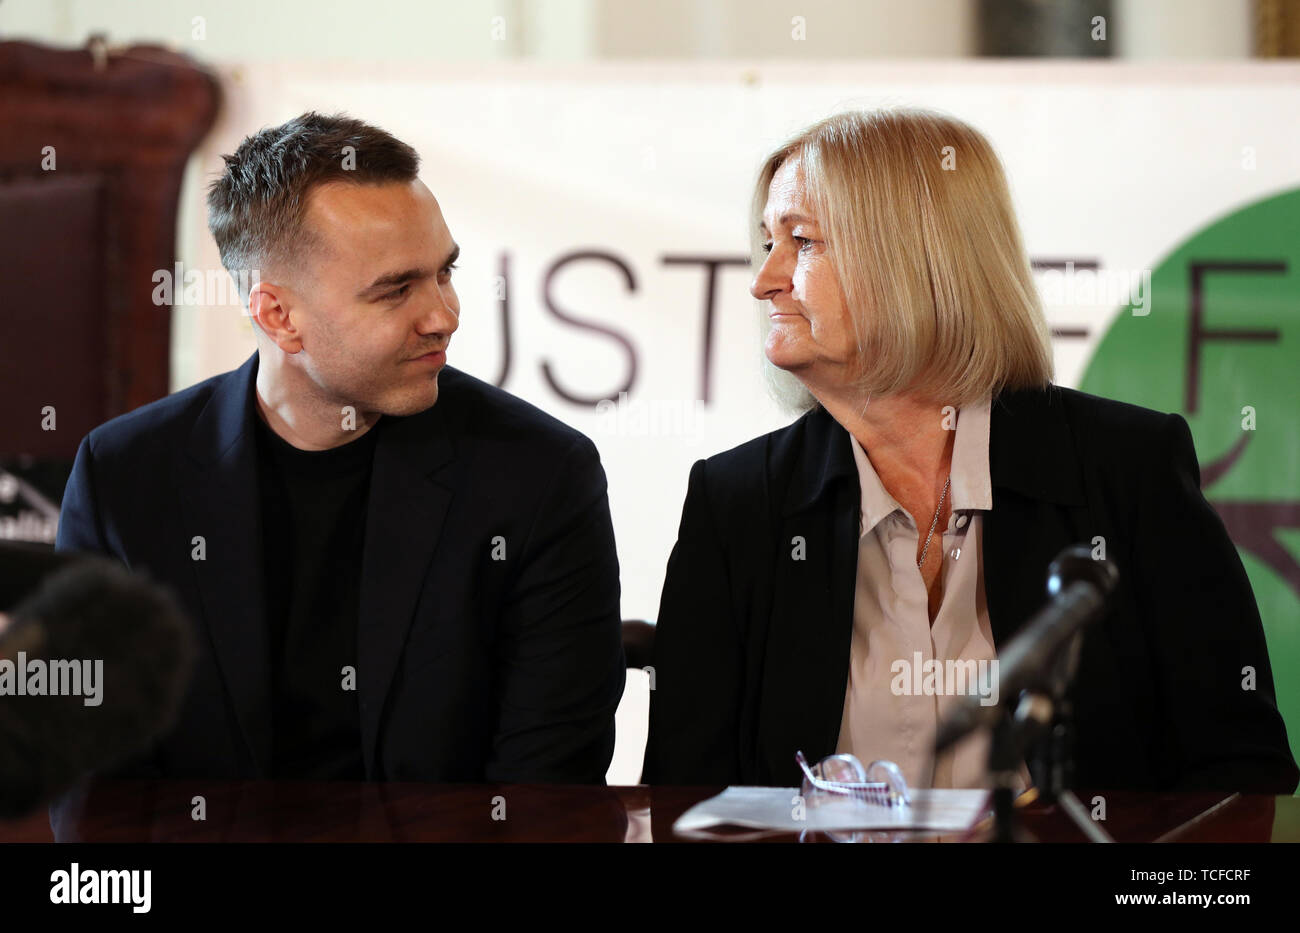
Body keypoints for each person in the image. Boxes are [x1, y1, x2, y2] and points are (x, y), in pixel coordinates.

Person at [642, 109, 1298, 794]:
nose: (764, 278)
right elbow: (682, 797)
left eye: (802, 241)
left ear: (914, 258)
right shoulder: (738, 502)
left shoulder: (1127, 469)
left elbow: (1241, 775)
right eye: (767, 241)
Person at [55, 112, 625, 797]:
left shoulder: (538, 475)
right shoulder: (125, 475)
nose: (443, 314)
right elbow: (95, 787)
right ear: (277, 316)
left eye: (445, 273)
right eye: (396, 288)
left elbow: (545, 792)